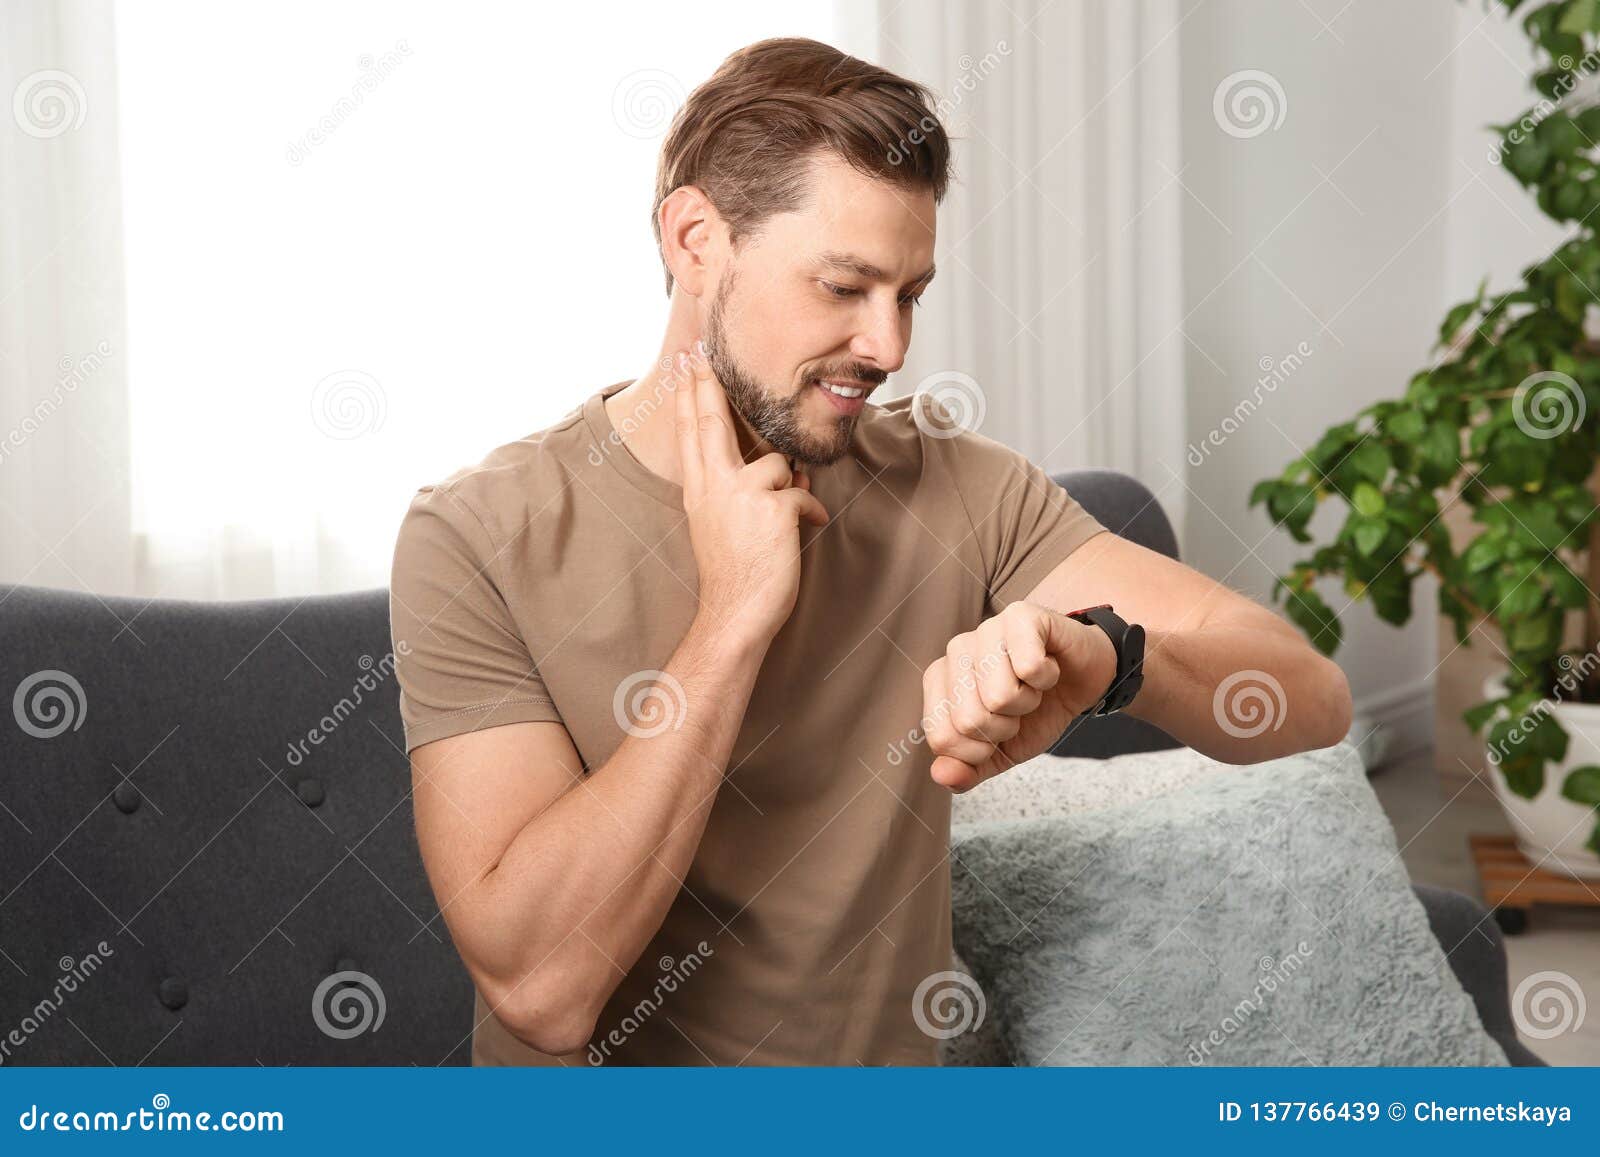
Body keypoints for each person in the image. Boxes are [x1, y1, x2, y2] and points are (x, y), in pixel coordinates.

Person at [388, 37, 1352, 1067]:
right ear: (695, 239)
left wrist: (1108, 659)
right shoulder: (477, 534)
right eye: (843, 287)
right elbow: (543, 992)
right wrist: (732, 616)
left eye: (910, 294)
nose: (888, 347)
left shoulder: (949, 482)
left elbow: (1309, 701)